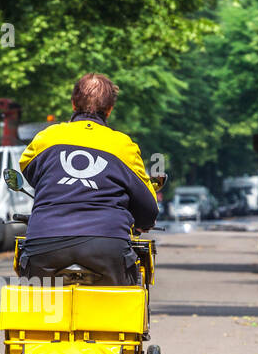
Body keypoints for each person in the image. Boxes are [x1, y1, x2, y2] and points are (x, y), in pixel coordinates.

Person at [16, 73, 160, 285]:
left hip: (45, 244)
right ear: (110, 108)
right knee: (118, 306)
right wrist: (143, 222)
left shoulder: (47, 138)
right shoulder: (123, 147)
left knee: (40, 307)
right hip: (107, 248)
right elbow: (149, 207)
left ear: (73, 103)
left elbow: (29, 171)